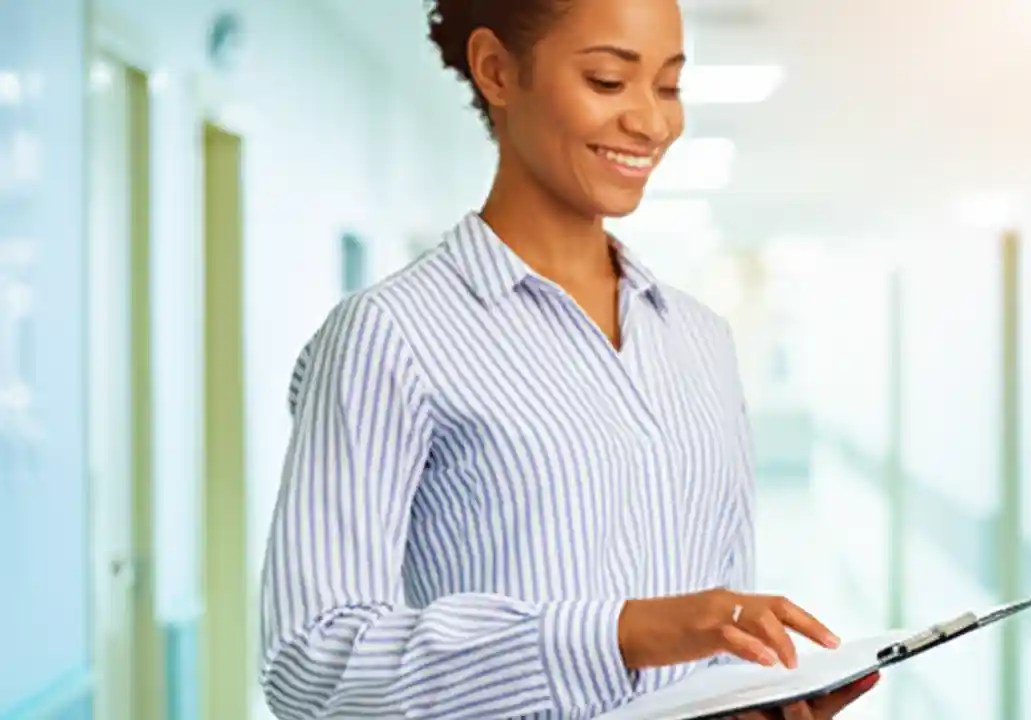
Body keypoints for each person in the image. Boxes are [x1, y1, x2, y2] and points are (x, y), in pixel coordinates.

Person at [258, 0, 878, 717]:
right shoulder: (390, 335)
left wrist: (756, 703)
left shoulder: (700, 339)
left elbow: (712, 645)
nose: (652, 122)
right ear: (496, 70)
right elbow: (313, 666)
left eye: (669, 86)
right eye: (609, 81)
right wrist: (619, 635)